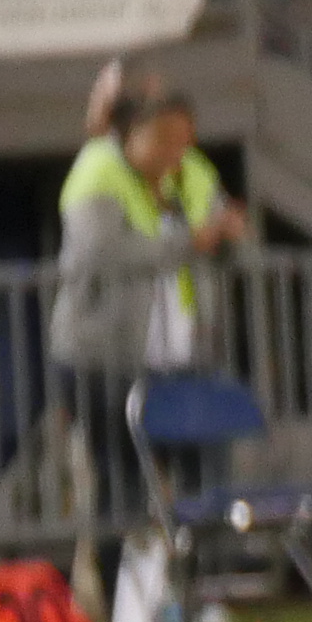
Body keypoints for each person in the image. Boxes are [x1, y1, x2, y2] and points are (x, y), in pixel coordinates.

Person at [45, 61, 241, 560]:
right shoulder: (98, 170)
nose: (176, 152)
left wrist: (228, 238)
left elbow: (225, 235)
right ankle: (114, 601)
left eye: (183, 140)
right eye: (164, 139)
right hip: (100, 356)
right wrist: (190, 242)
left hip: (180, 358)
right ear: (132, 133)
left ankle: (198, 593)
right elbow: (101, 254)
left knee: (200, 471)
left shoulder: (192, 173)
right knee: (119, 480)